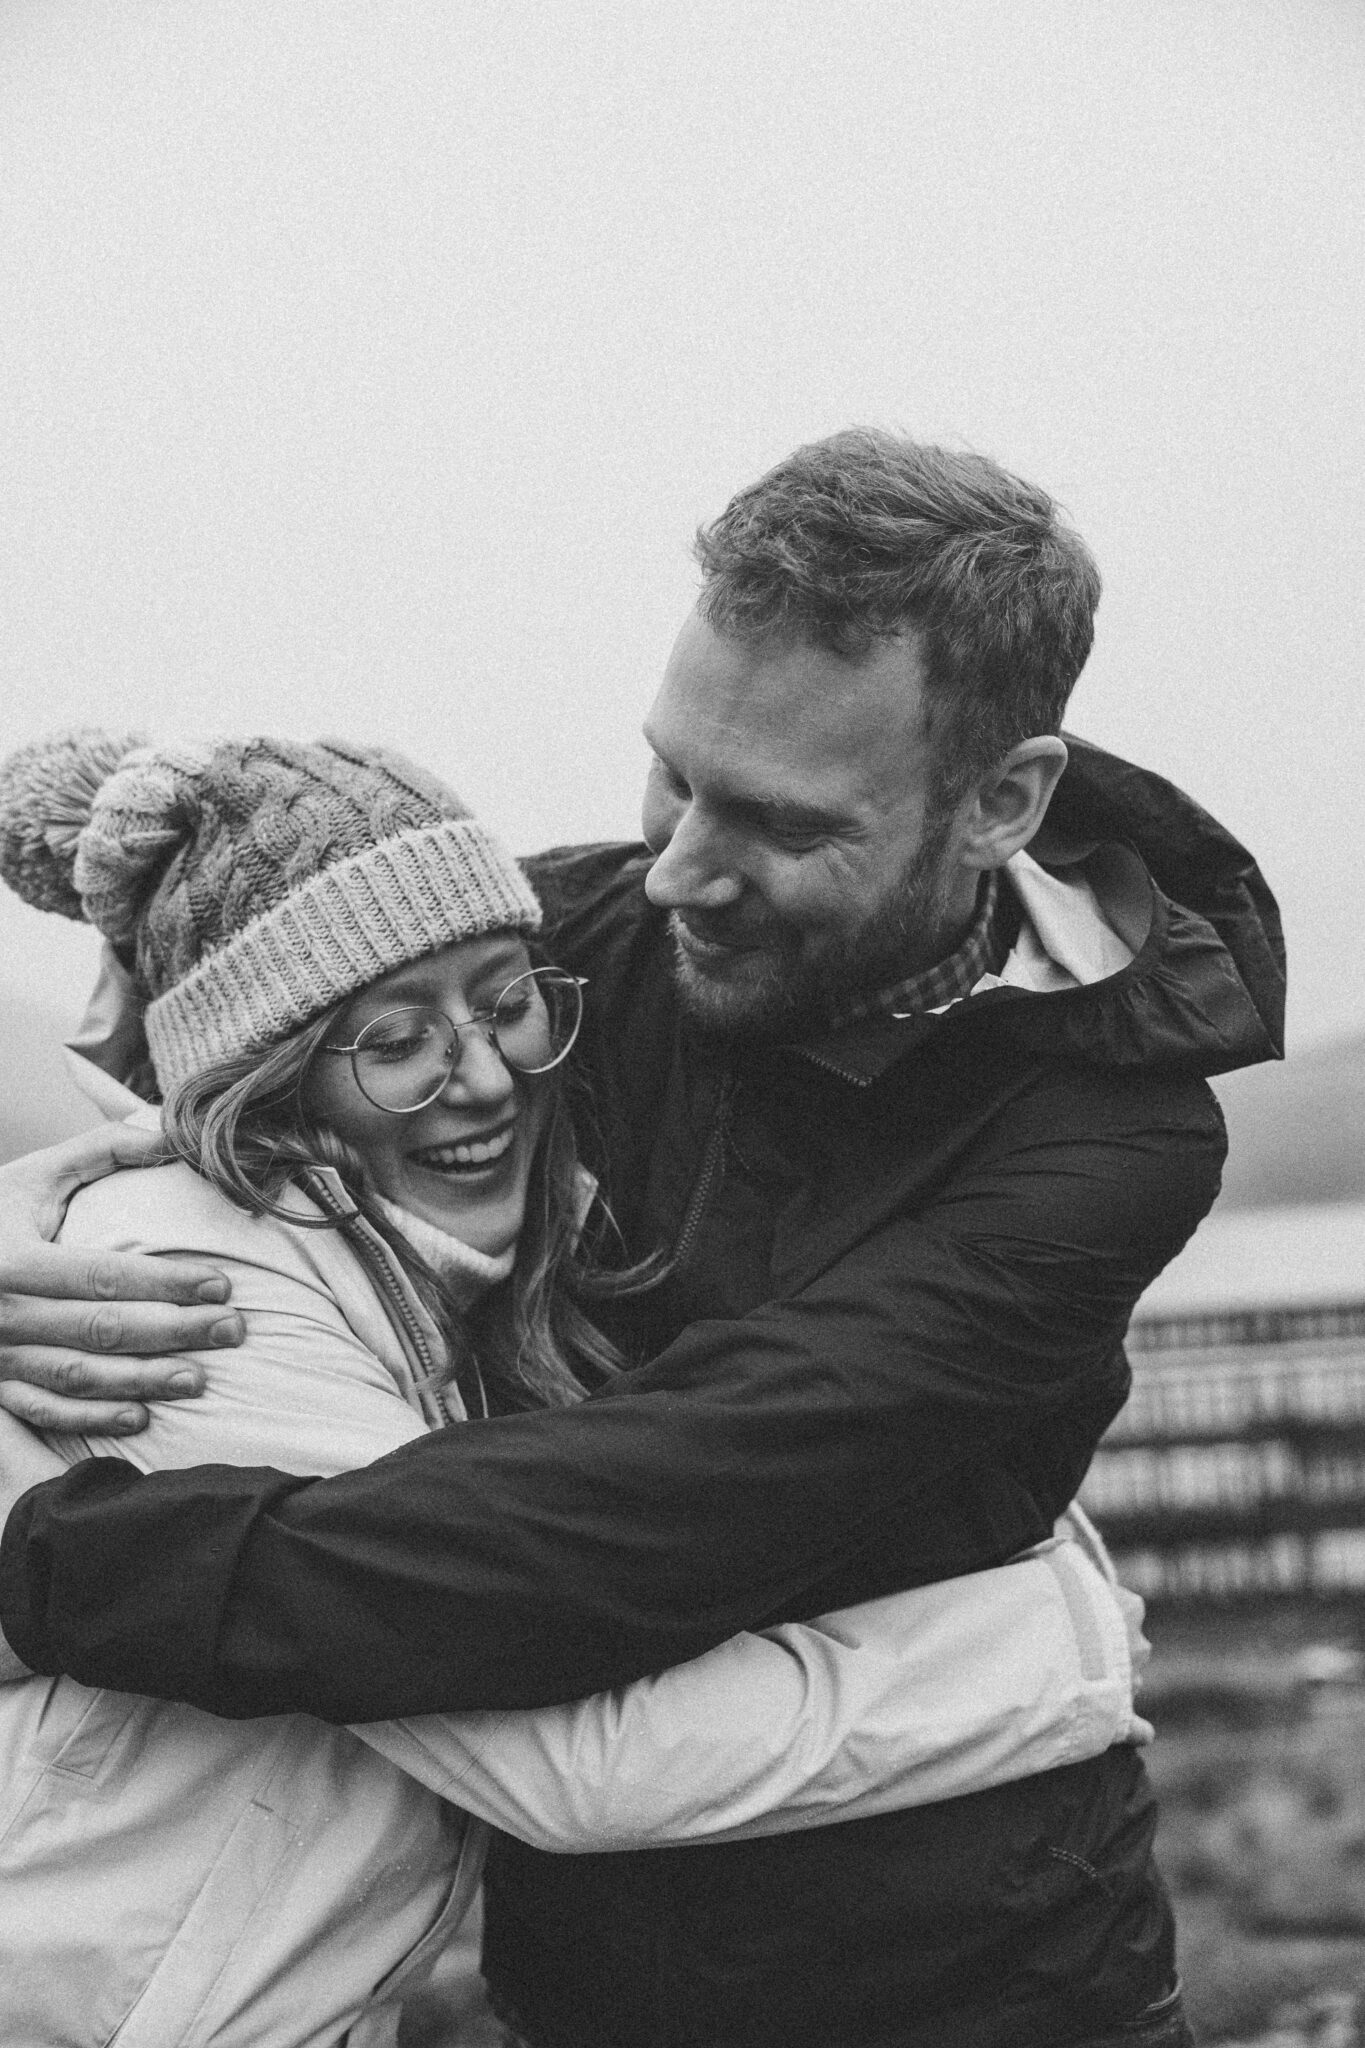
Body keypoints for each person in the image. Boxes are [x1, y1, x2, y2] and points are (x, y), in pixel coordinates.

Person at [0, 431, 1285, 2048]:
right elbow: (239, 1059)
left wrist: (52, 1567)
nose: (675, 869)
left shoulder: (1103, 1146)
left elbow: (638, 1514)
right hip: (594, 1984)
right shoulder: (580, 946)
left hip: (974, 1977)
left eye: (777, 825)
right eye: (673, 776)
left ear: (1000, 802)